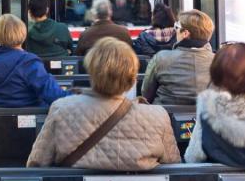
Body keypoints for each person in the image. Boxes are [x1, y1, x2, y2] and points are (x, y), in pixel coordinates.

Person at [27, 38, 181, 170]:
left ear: (92, 73)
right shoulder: (157, 116)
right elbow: (174, 166)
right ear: (132, 79)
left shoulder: (61, 109)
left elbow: (37, 165)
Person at [0, 14, 69, 107]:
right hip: (29, 113)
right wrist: (80, 95)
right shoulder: (29, 62)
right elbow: (54, 96)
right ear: (23, 34)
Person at [141, 9, 214, 105]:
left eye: (176, 27)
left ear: (185, 34)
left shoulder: (161, 58)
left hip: (165, 116)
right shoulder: (218, 62)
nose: (175, 31)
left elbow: (146, 95)